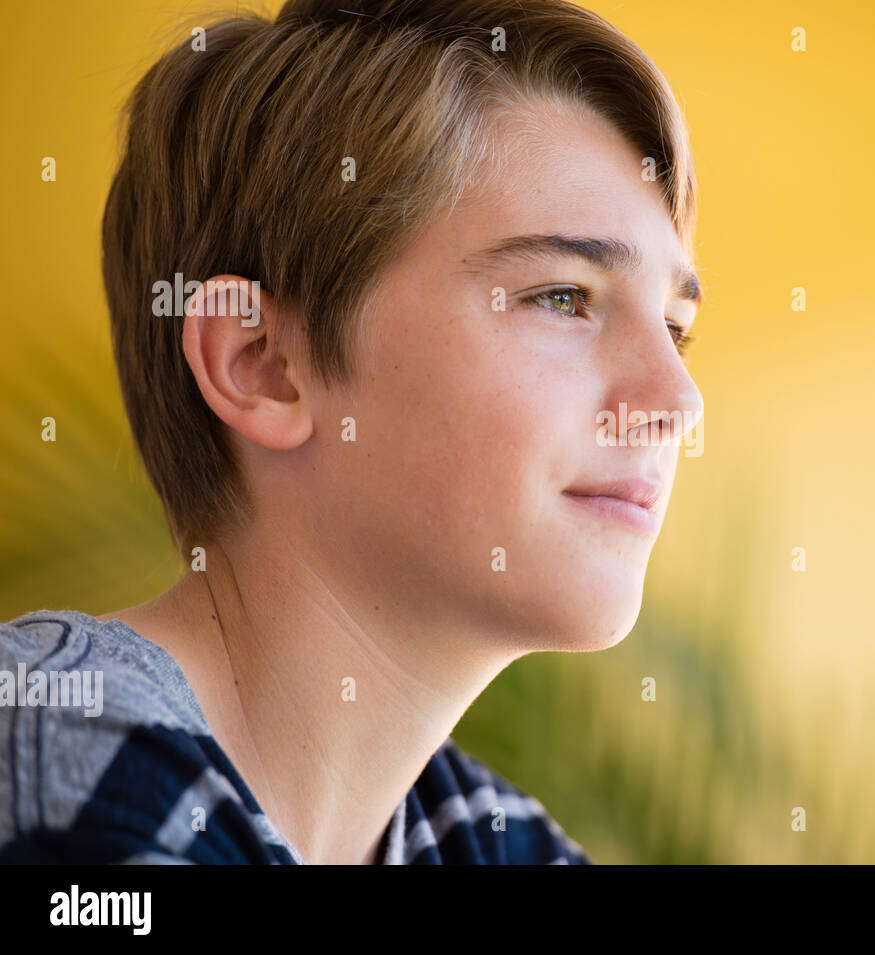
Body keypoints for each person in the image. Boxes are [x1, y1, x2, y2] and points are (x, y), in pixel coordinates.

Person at [0, 0, 703, 865]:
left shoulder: (491, 838)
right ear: (263, 364)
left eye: (675, 328)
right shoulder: (65, 763)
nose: (677, 399)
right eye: (563, 297)